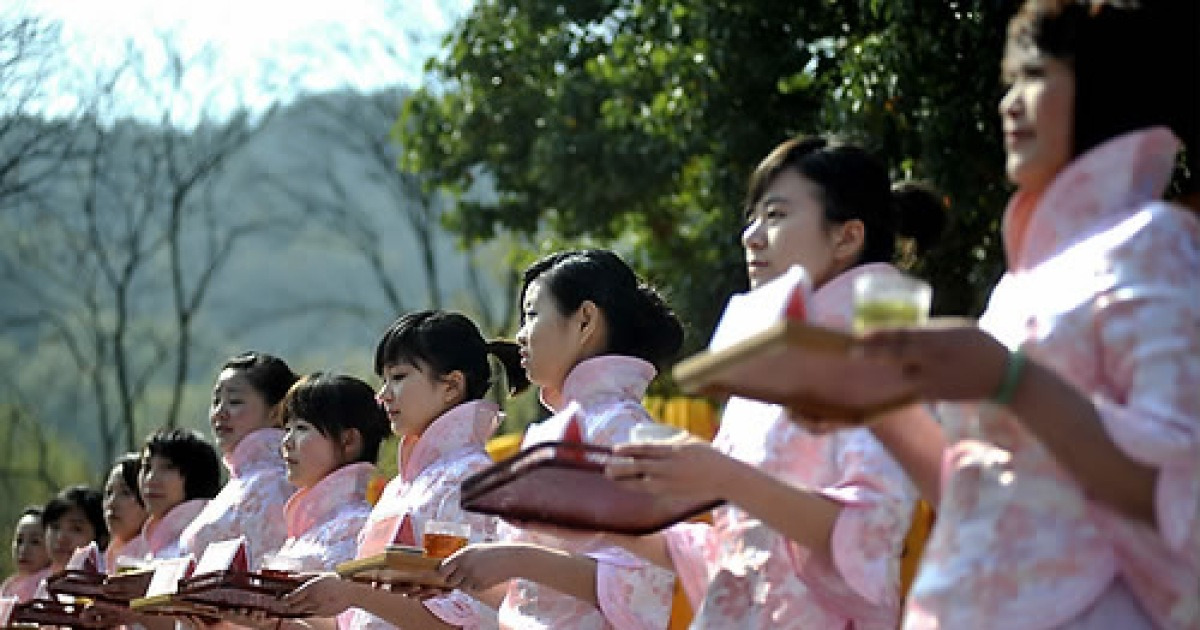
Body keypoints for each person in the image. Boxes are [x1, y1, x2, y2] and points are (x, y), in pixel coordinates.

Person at [788, 2, 1199, 628]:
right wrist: (873, 406)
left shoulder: (1158, 240)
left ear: (1106, 86)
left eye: (1033, 75)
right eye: (1009, 82)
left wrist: (1009, 379)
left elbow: (1175, 482)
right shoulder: (1019, 282)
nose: (1008, 104)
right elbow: (972, 490)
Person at [598, 138, 944, 628]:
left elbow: (869, 533)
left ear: (846, 238)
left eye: (776, 216)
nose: (751, 237)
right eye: (752, 218)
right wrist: (601, 523)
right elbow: (735, 555)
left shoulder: (881, 350)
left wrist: (724, 477)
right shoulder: (766, 362)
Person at [437, 249, 685, 629]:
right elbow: (530, 596)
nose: (520, 335)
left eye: (532, 314)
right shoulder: (555, 431)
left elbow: (643, 586)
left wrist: (514, 559)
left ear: (585, 320)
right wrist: (444, 578)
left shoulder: (622, 428)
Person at [285, 310, 528, 630]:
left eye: (398, 377)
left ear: (452, 386)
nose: (382, 395)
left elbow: (465, 613)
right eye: (384, 380)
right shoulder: (399, 488)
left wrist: (355, 594)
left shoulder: (468, 479)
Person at [212, 373, 390, 630]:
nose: (286, 442)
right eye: (287, 429)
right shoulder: (310, 529)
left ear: (349, 441)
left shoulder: (357, 526)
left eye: (302, 428)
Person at [179, 352, 298, 567]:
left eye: (234, 402)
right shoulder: (245, 481)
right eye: (216, 401)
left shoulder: (273, 484)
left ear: (276, 412)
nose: (219, 413)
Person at [124, 428, 223, 561]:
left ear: (196, 475)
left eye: (167, 467)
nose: (150, 479)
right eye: (147, 467)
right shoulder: (151, 544)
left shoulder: (210, 534)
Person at [42, 485, 108, 573]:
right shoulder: (42, 579)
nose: (61, 538)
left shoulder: (110, 577)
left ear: (102, 538)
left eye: (76, 529)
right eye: (55, 527)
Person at [102, 453, 148, 571]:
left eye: (125, 493)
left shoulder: (155, 557)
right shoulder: (107, 556)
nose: (111, 503)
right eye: (108, 493)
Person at [0, 507, 51, 602]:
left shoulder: (51, 586)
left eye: (35, 542)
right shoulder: (8, 586)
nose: (23, 549)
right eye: (19, 541)